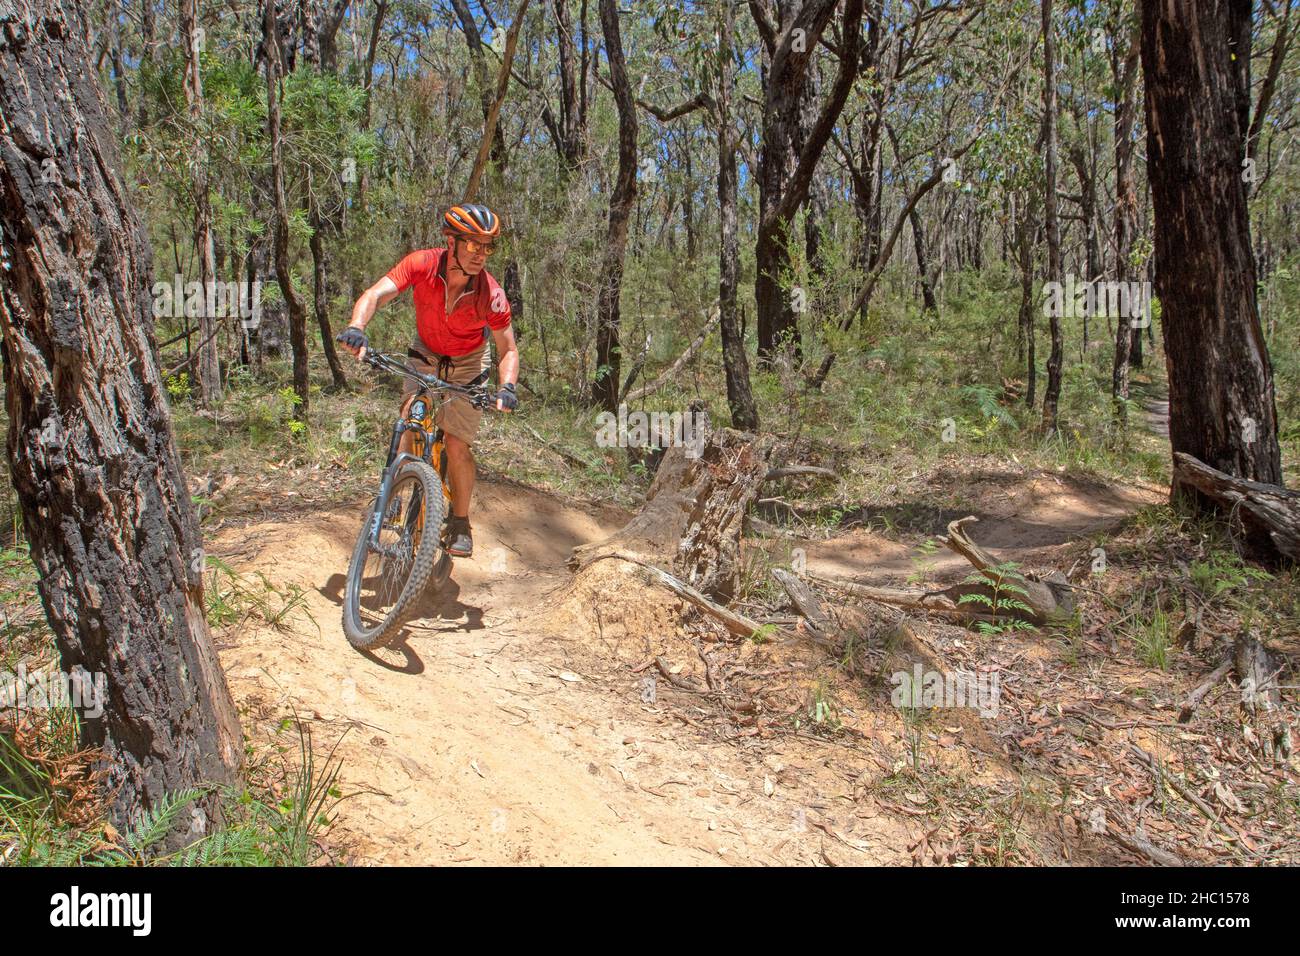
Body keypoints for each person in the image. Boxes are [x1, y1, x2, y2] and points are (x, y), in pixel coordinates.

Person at [338, 203, 519, 558]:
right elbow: (376, 293)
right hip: (426, 352)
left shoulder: (491, 293)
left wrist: (506, 387)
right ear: (450, 240)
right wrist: (357, 328)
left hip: (469, 361)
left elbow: (507, 348)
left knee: (456, 443)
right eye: (473, 244)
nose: (481, 254)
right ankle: (394, 489)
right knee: (410, 417)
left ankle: (460, 521)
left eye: (488, 247)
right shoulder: (421, 264)